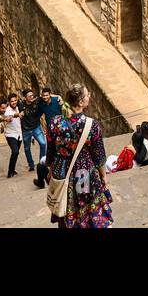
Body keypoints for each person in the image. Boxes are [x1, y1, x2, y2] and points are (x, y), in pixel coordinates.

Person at [46, 83, 112, 228]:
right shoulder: (91, 125)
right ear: (81, 102)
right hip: (84, 173)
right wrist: (103, 177)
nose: (89, 96)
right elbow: (99, 155)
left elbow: (50, 151)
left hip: (61, 170)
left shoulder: (55, 122)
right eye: (87, 94)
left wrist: (51, 170)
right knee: (86, 207)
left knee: (65, 204)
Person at [18, 88, 47, 172]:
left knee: (43, 143)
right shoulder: (20, 104)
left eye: (32, 95)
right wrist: (18, 114)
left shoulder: (37, 101)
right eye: (29, 96)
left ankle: (42, 162)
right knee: (27, 148)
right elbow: (10, 106)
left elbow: (47, 96)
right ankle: (31, 165)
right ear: (25, 98)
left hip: (36, 127)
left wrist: (58, 97)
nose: (31, 97)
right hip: (26, 130)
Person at [3, 92, 23, 178]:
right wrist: (17, 114)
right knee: (15, 151)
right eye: (12, 101)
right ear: (9, 102)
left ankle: (12, 169)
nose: (14, 102)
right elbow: (9, 115)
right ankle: (10, 172)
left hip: (19, 134)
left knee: (15, 153)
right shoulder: (7, 110)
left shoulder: (19, 107)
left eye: (15, 100)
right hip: (10, 135)